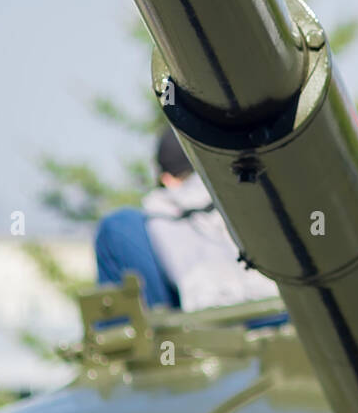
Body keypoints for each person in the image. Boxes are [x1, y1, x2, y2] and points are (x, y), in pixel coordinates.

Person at [94, 129, 275, 310]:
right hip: (279, 301)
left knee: (118, 226)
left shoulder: (152, 210)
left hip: (207, 317)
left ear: (167, 179)